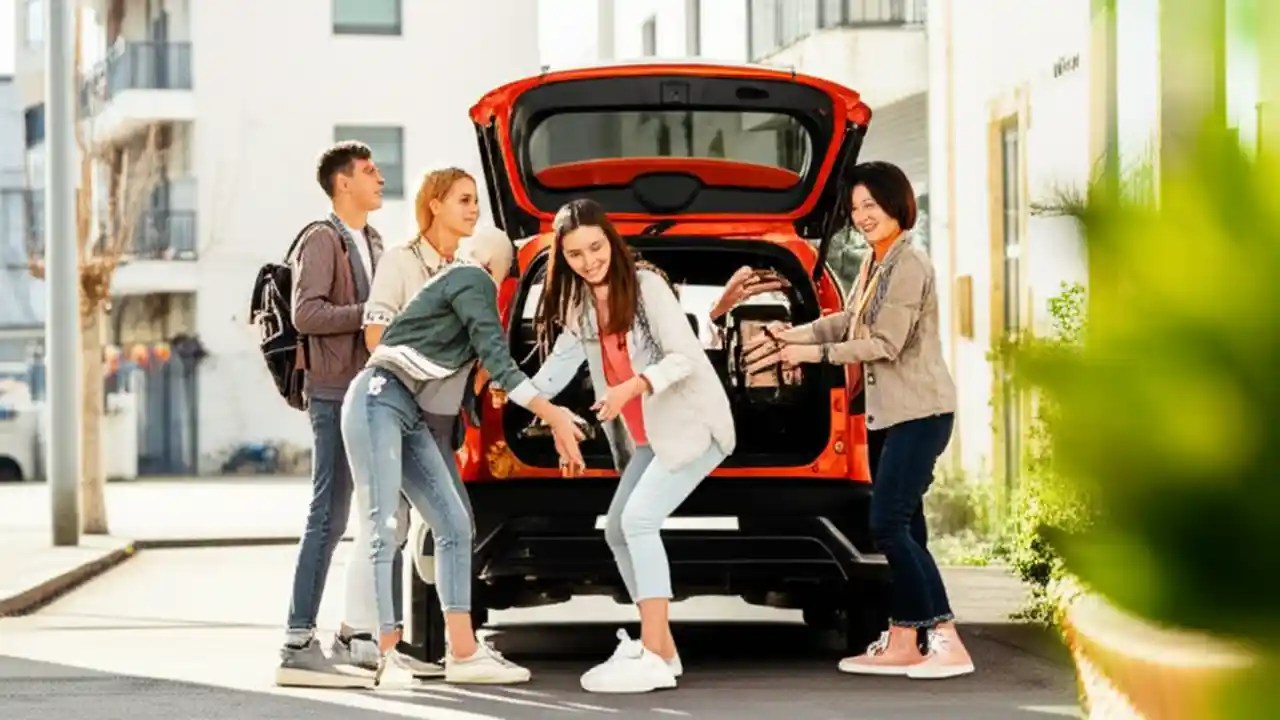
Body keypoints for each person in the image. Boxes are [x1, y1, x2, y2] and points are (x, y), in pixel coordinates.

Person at [744, 161, 974, 679]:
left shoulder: (910, 264)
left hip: (921, 412)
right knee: (908, 525)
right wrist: (793, 335)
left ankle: (945, 640)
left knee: (887, 525)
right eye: (855, 209)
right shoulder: (876, 262)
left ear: (896, 203)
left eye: (871, 204)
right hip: (893, 415)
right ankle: (904, 639)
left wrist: (811, 357)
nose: (862, 216)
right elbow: (848, 321)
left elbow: (884, 344)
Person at [341, 229, 587, 685]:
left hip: (408, 411)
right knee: (383, 525)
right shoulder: (472, 277)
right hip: (379, 398)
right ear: (497, 268)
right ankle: (386, 655)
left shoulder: (454, 290)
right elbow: (499, 358)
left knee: (455, 524)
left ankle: (464, 651)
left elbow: (456, 396)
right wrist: (552, 415)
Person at [527, 199, 735, 694]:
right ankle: (663, 651)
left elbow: (684, 358)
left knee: (640, 521)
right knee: (618, 529)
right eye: (575, 254)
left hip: (693, 427)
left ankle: (652, 648)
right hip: (648, 438)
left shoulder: (646, 287)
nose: (589, 260)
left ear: (612, 241)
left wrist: (632, 387)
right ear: (564, 257)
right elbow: (556, 368)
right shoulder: (579, 304)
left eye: (596, 247)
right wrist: (510, 388)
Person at [333, 167, 480, 679]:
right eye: (463, 199)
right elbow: (376, 336)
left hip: (434, 423)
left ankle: (442, 644)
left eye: (476, 201)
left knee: (445, 523)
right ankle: (361, 637)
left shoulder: (465, 271)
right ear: (434, 204)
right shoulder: (401, 260)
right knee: (383, 526)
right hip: (390, 408)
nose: (474, 209)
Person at [276, 140, 384, 689]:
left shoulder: (372, 240)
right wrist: (373, 310)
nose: (380, 178)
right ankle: (297, 640)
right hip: (333, 393)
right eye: (369, 171)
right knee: (328, 515)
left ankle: (352, 631)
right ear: (344, 183)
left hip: (368, 390)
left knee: (366, 517)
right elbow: (306, 313)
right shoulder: (323, 239)